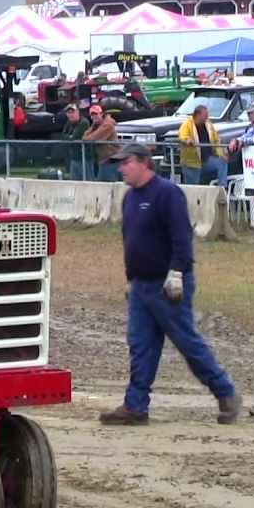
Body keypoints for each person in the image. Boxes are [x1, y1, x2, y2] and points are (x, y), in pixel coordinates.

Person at [99, 143, 241, 426]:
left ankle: (225, 392)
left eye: (125, 162)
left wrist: (177, 273)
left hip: (166, 284)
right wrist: (131, 279)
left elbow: (181, 236)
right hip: (141, 286)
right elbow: (131, 241)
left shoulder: (167, 193)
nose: (121, 168)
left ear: (143, 163)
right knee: (140, 346)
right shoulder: (129, 198)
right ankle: (136, 406)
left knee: (188, 343)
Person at [178, 104, 226, 185]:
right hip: (191, 163)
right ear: (198, 115)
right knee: (193, 187)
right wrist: (187, 140)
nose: (207, 117)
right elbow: (182, 136)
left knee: (222, 163)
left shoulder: (208, 124)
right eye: (206, 115)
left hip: (206, 161)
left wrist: (221, 154)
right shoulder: (187, 124)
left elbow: (216, 140)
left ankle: (222, 188)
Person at [82, 105, 118, 180]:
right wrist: (93, 126)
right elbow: (84, 137)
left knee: (107, 185)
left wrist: (89, 135)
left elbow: (92, 138)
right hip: (104, 160)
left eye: (96, 114)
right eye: (92, 115)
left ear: (101, 114)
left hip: (111, 160)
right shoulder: (97, 125)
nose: (94, 117)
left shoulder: (107, 125)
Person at [60, 104, 90, 180]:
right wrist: (69, 137)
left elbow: (73, 137)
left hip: (85, 158)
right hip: (74, 158)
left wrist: (69, 137)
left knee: (87, 182)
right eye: (68, 112)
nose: (71, 114)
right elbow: (63, 135)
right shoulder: (69, 122)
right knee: (74, 182)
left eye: (72, 112)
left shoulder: (83, 122)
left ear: (78, 112)